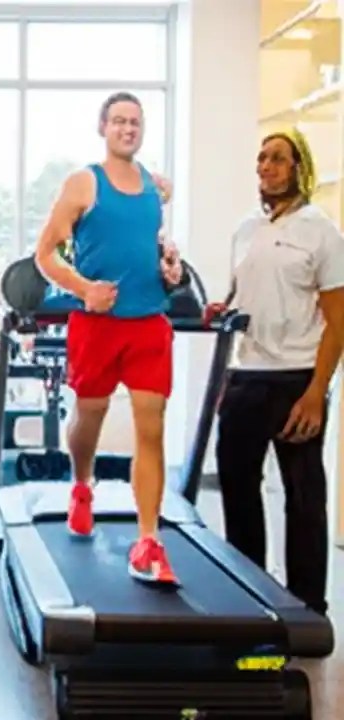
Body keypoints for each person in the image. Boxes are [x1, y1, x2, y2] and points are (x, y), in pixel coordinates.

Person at [34, 91, 183, 585]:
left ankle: (148, 540)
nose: (128, 129)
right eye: (119, 121)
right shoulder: (83, 182)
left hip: (148, 323)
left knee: (151, 427)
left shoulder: (155, 190)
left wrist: (169, 269)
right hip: (96, 325)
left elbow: (153, 248)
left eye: (135, 122)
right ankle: (81, 485)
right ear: (103, 127)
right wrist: (83, 289)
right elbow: (46, 255)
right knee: (89, 417)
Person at [207, 128, 344, 615]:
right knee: (239, 488)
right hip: (247, 375)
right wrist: (223, 309)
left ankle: (309, 609)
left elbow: (337, 322)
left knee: (303, 497)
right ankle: (249, 600)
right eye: (261, 157)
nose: (265, 166)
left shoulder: (321, 231)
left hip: (297, 378)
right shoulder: (246, 229)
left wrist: (316, 393)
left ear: (298, 167)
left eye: (278, 158)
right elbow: (245, 297)